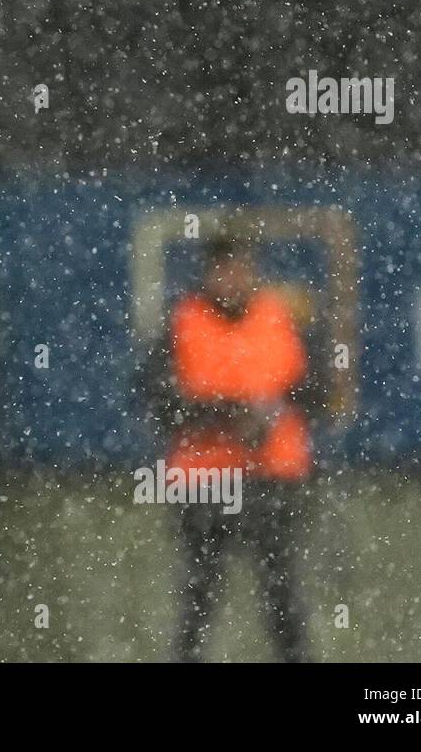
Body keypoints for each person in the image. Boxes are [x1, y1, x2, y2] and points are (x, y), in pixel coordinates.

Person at [143, 236, 321, 662]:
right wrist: (225, 416)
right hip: (205, 480)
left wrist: (270, 414)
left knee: (282, 594)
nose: (232, 279)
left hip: (273, 475)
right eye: (223, 269)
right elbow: (158, 403)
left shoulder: (279, 318)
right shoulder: (182, 321)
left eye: (240, 268)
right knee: (200, 594)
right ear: (207, 272)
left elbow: (315, 392)